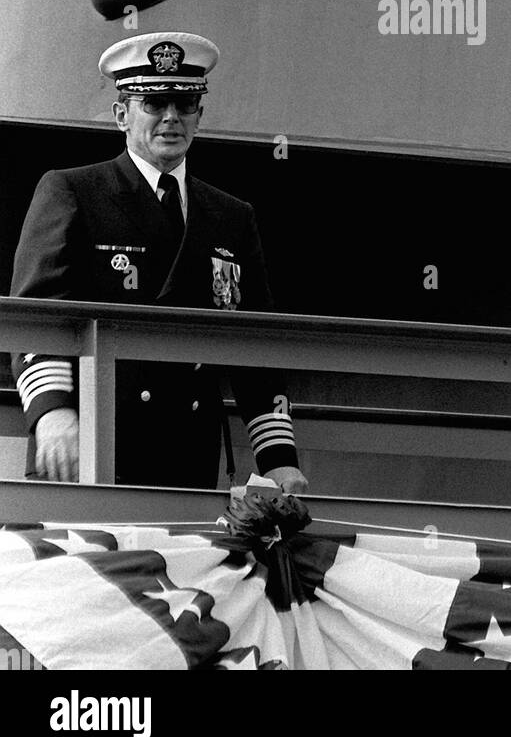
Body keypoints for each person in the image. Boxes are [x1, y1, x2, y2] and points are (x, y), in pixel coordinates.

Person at [8, 31, 307, 495]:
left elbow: (255, 347)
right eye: (154, 102)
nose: (171, 117)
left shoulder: (231, 216)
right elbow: (39, 315)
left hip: (186, 454)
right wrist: (52, 411)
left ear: (199, 117)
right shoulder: (73, 192)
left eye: (184, 105)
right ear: (122, 115)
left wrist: (278, 458)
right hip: (89, 446)